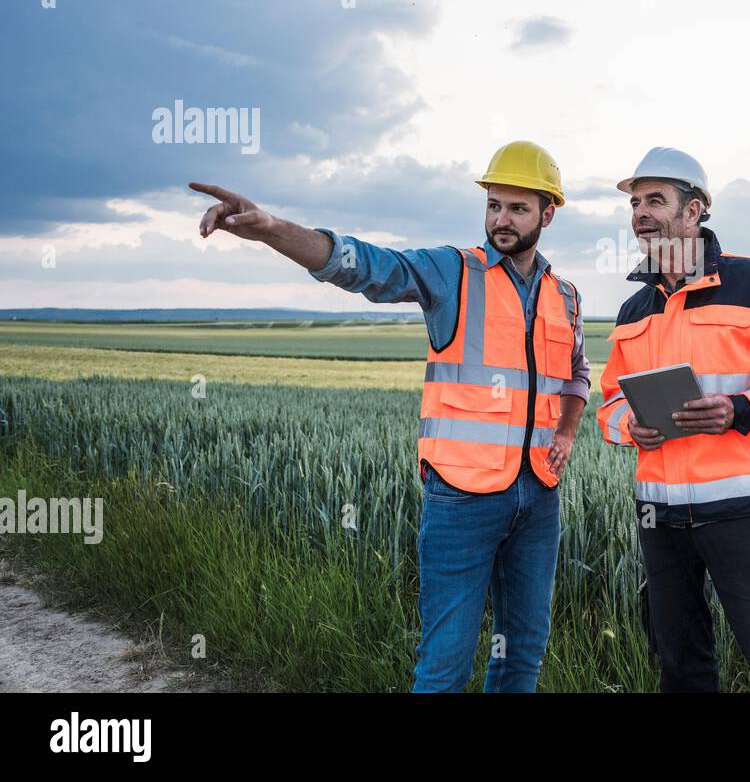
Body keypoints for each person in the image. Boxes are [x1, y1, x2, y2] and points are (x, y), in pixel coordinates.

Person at [188, 140, 589, 692]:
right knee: (444, 666)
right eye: (494, 205)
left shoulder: (564, 295)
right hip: (462, 498)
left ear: (548, 213)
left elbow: (576, 374)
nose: (501, 218)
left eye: (517, 208)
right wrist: (272, 229)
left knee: (521, 658)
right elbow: (367, 265)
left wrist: (566, 430)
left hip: (539, 496)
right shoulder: (453, 272)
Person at [597, 146, 750, 692]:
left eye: (656, 200)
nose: (640, 214)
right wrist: (629, 426)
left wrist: (740, 409)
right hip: (658, 515)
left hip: (741, 511)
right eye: (635, 203)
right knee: (679, 664)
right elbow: (609, 405)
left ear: (695, 210)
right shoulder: (636, 309)